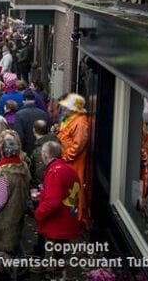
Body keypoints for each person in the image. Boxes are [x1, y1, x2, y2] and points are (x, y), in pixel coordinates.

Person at [32, 141, 81, 270]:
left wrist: (38, 213)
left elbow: (53, 202)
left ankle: (53, 273)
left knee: (53, 257)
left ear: (45, 155)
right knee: (60, 255)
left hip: (56, 223)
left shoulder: (55, 172)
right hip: (67, 219)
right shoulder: (69, 169)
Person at [0, 137, 30, 254]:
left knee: (3, 254)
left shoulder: (3, 174)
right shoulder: (23, 167)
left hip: (2, 224)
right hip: (17, 215)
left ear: (2, 152)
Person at [55, 93, 90, 229]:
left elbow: (78, 145)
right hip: (68, 161)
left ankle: (76, 217)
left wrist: (65, 157)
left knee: (75, 187)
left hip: (74, 163)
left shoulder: (80, 123)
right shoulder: (71, 119)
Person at [13, 89, 50, 155]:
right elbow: (48, 132)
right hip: (43, 151)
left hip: (27, 151)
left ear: (25, 100)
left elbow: (19, 136)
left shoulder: (19, 115)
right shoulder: (44, 114)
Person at [30, 119, 57, 188]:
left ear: (34, 130)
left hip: (45, 185)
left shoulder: (40, 150)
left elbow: (40, 172)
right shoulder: (55, 142)